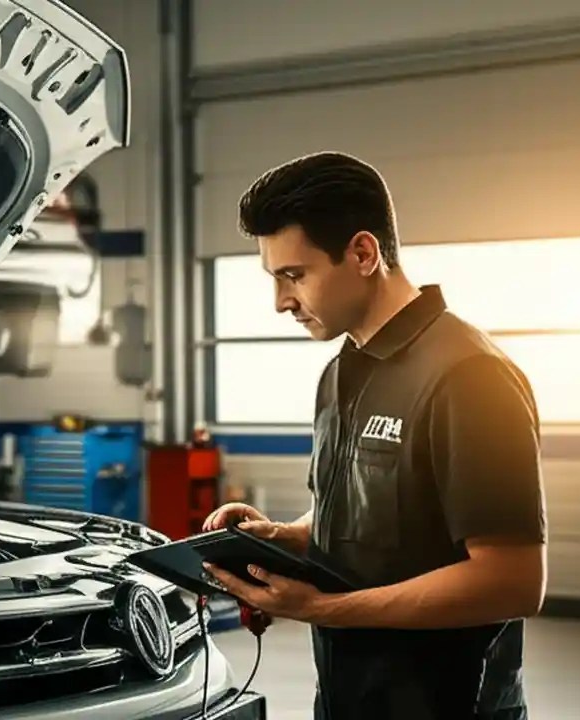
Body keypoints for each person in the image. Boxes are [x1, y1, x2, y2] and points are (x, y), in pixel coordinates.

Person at [201, 151, 547, 720]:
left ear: (363, 253)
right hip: (349, 698)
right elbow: (376, 518)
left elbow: (511, 581)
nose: (281, 302)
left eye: (295, 275)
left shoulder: (468, 376)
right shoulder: (342, 371)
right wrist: (283, 536)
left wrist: (323, 608)